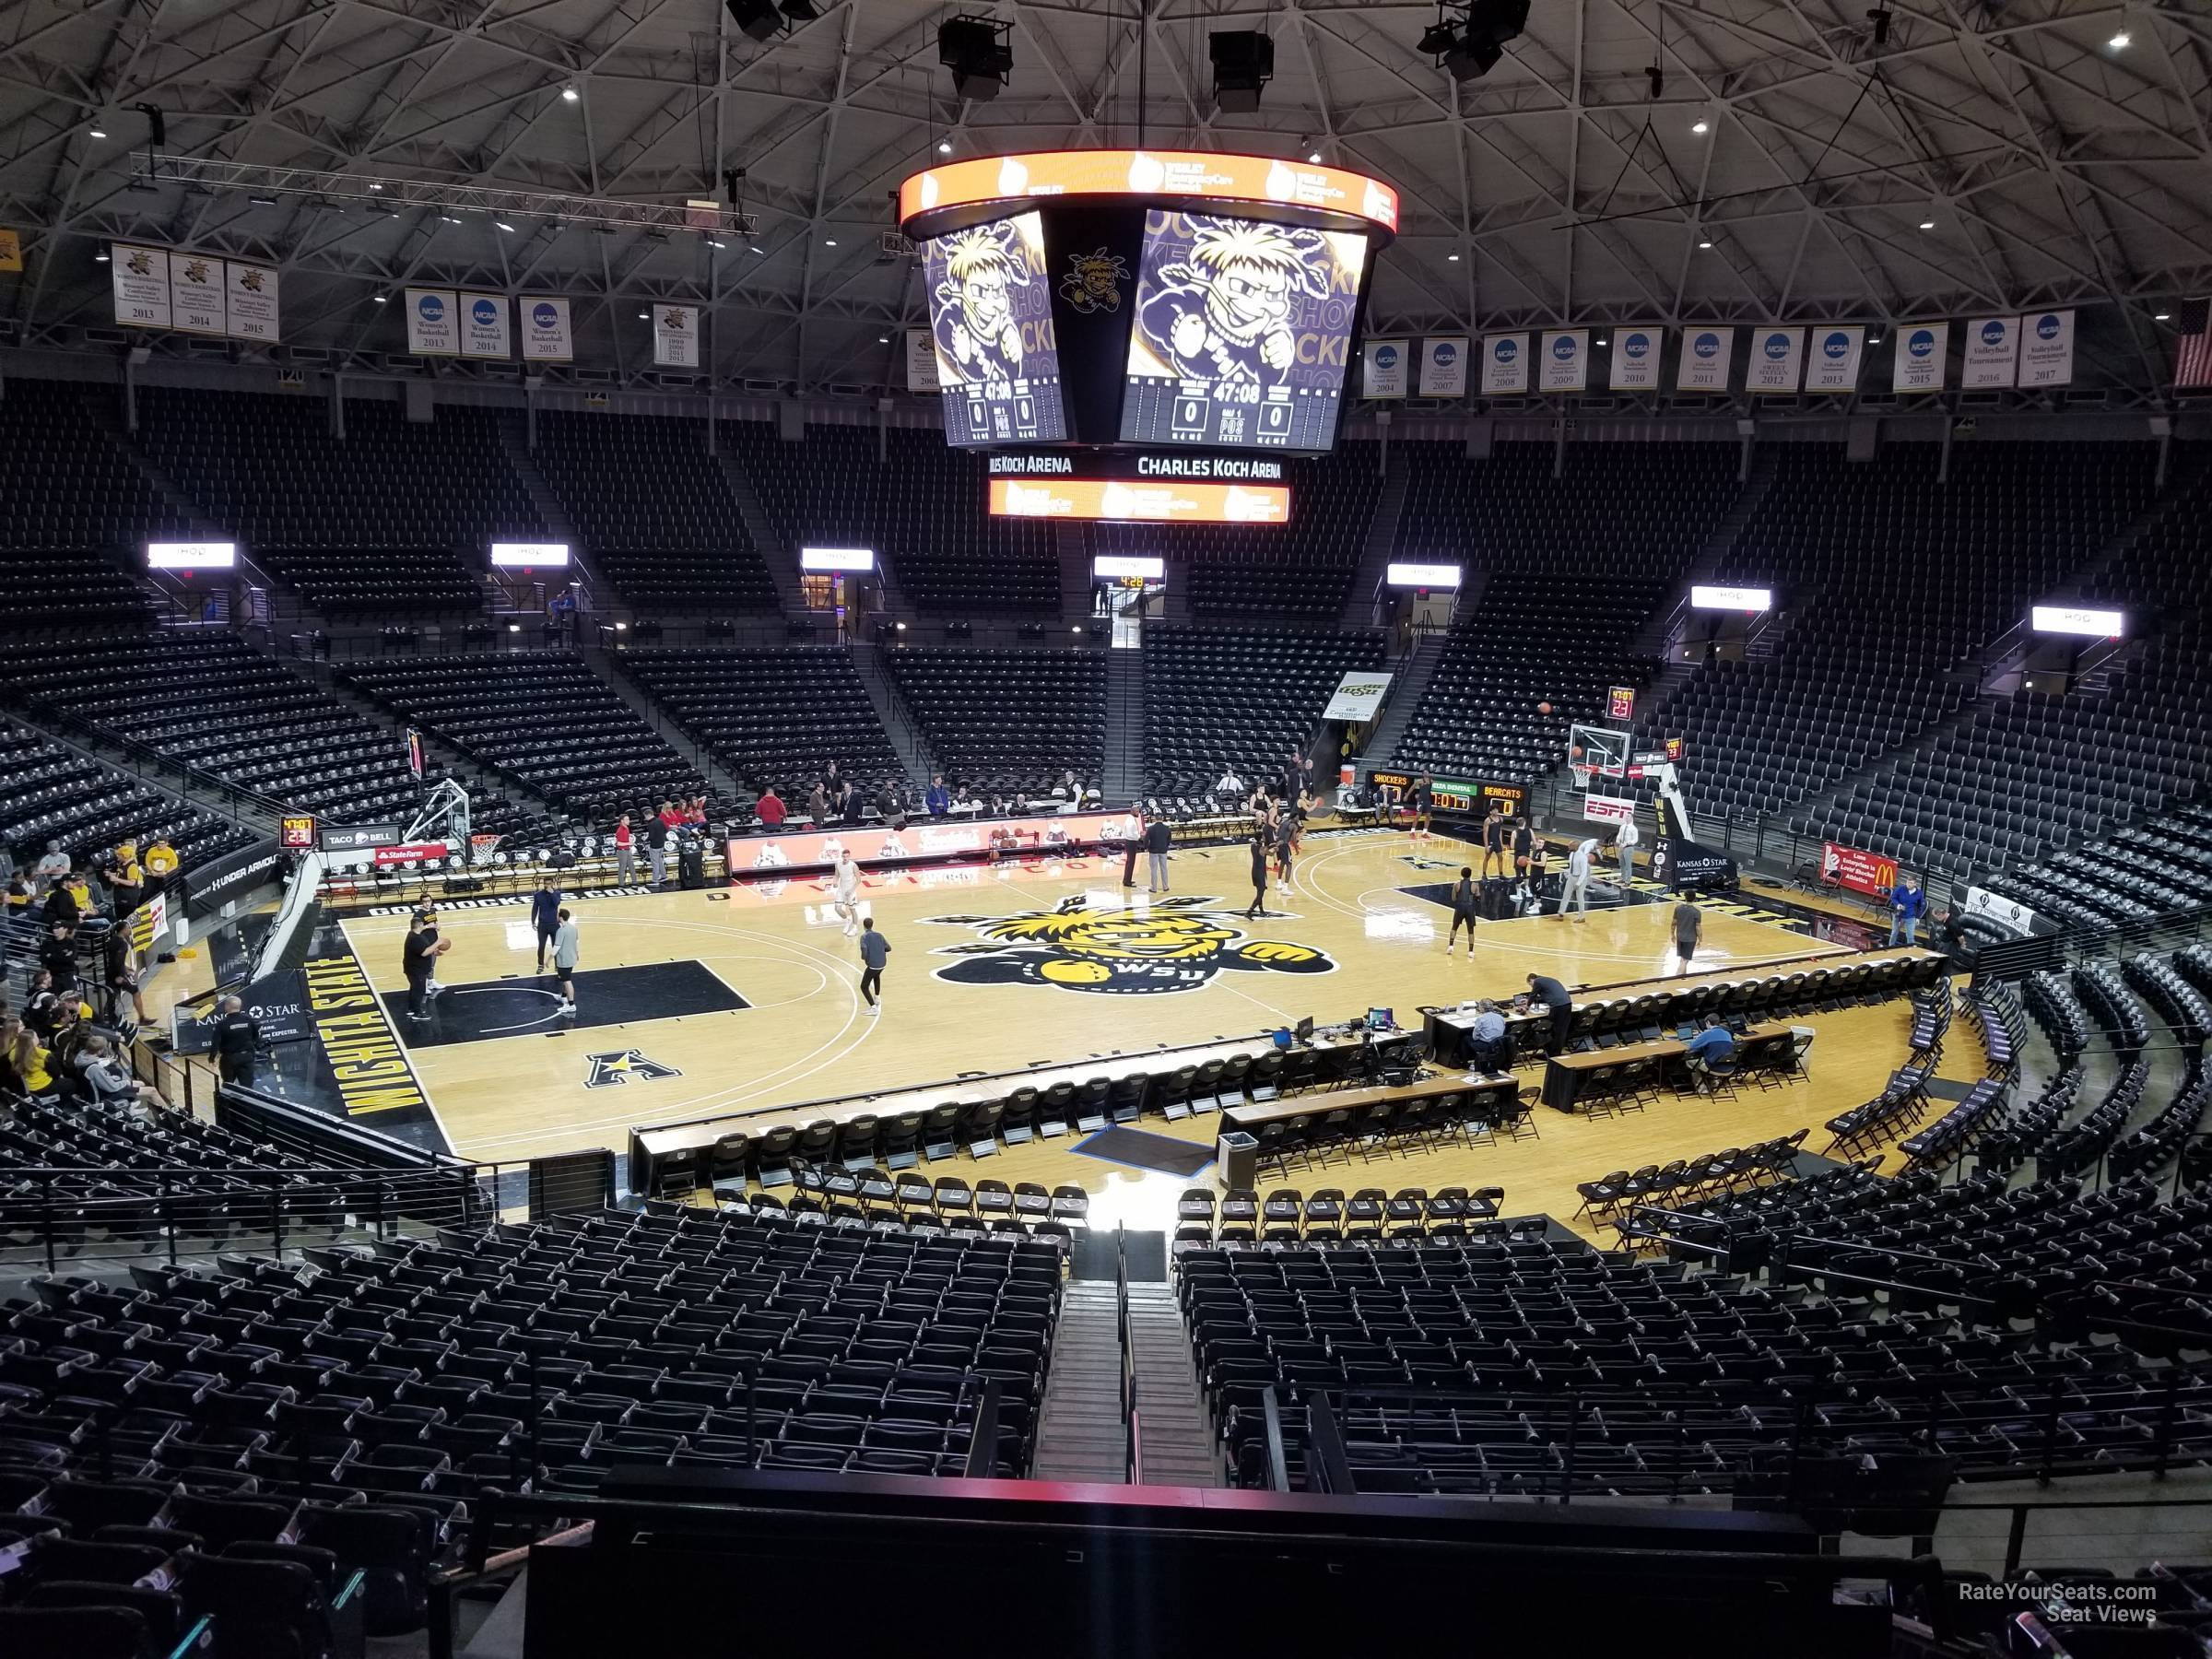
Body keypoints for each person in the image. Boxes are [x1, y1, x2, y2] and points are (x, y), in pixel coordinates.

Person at [76, 1033, 171, 1115]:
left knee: (141, 1083)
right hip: (107, 1096)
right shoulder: (94, 1068)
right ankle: (170, 1114)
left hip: (105, 1089)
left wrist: (110, 1077)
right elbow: (112, 1087)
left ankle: (133, 1109)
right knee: (152, 1091)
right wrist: (125, 1082)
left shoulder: (83, 1057)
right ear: (100, 1051)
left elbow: (101, 1079)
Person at [103, 929, 148, 1034]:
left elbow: (114, 959)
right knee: (135, 991)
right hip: (117, 975)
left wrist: (126, 967)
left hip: (110, 973)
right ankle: (141, 1018)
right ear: (123, 929)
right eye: (128, 928)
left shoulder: (112, 941)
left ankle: (111, 1022)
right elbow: (118, 960)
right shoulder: (122, 944)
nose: (130, 930)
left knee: (112, 997)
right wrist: (120, 975)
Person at [402, 909, 444, 1021]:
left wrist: (434, 951)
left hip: (414, 968)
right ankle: (417, 1013)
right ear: (420, 925)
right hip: (416, 970)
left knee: (414, 989)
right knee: (419, 991)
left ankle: (412, 1010)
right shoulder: (415, 938)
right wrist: (438, 943)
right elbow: (424, 952)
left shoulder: (414, 935)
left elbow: (424, 949)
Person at [212, 994, 260, 1088]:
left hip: (229, 1059)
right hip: (247, 1057)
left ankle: (229, 1102)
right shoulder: (249, 1020)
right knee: (248, 1088)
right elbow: (256, 1036)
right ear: (240, 1006)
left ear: (227, 1007)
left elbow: (215, 1043)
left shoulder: (222, 1024)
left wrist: (212, 1058)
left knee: (228, 1086)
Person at [1683, 1016, 1737, 1092]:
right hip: (1730, 1068)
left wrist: (1700, 1037)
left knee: (1690, 1061)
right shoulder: (1727, 1034)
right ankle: (1714, 1082)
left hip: (1715, 1068)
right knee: (1714, 1056)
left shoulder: (1707, 1034)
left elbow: (1692, 1046)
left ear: (1708, 1022)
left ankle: (1702, 1088)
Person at [1528, 972, 1573, 1054]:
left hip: (1558, 1007)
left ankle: (1553, 1053)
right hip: (1568, 1004)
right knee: (1562, 1031)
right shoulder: (1549, 980)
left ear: (1531, 980)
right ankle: (1557, 1052)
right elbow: (1547, 995)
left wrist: (1527, 1006)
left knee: (1553, 1029)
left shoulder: (1537, 981)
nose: (1532, 987)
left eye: (1530, 985)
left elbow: (1533, 994)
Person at [857, 915, 890, 1015]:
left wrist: (864, 957)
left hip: (873, 965)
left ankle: (873, 1008)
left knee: (864, 986)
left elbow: (864, 950)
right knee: (876, 976)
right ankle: (877, 997)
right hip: (883, 963)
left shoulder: (864, 937)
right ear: (872, 925)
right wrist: (879, 950)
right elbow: (889, 948)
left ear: (864, 926)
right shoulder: (879, 935)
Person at [551, 908, 581, 1017]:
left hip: (564, 959)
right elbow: (576, 942)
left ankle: (571, 1005)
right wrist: (577, 953)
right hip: (572, 957)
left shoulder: (561, 931)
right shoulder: (573, 928)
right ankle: (563, 996)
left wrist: (549, 959)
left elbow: (557, 947)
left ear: (560, 917)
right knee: (565, 978)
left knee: (567, 981)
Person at [1561, 836, 1599, 922]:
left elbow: (1584, 873)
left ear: (1574, 847)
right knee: (1566, 896)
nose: (1568, 847)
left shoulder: (1582, 857)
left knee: (1580, 898)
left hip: (1581, 878)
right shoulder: (1572, 854)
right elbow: (1571, 866)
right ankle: (1561, 913)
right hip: (1572, 876)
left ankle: (1582, 917)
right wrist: (1569, 875)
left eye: (1570, 846)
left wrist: (1579, 882)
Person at [531, 877, 563, 973]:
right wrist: (533, 921)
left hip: (554, 924)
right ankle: (540, 965)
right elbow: (535, 909)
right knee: (541, 946)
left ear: (553, 883)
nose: (547, 885)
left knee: (556, 946)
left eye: (549, 883)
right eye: (545, 884)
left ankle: (557, 966)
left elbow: (557, 903)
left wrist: (552, 893)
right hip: (543, 925)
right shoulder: (538, 895)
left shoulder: (557, 893)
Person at [1467, 1000, 1510, 1072]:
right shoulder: (1501, 1018)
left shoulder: (1481, 1019)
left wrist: (1480, 1038)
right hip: (1498, 1045)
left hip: (1486, 1045)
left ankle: (1466, 1063)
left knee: (1465, 1039)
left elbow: (1475, 1037)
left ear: (1482, 1008)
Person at [1446, 865, 1478, 956]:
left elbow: (1453, 898)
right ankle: (1471, 952)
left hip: (1460, 907)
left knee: (1454, 927)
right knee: (1471, 931)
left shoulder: (1456, 885)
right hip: (1470, 908)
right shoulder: (1475, 885)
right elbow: (1478, 897)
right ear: (1470, 875)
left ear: (1461, 874)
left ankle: (1451, 946)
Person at [1888, 873, 1927, 947]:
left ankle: (1911, 949)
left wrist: (1918, 917)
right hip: (1899, 915)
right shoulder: (1900, 888)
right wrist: (1897, 904)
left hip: (1910, 916)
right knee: (1895, 932)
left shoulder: (1919, 893)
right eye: (1908, 882)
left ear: (1915, 884)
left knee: (1910, 935)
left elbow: (1920, 906)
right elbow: (1893, 897)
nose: (1909, 884)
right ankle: (1891, 947)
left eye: (1911, 883)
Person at [106, 841, 144, 918]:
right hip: (119, 896)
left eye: (119, 855)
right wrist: (111, 874)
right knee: (119, 916)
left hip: (128, 898)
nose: (117, 857)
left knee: (127, 918)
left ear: (125, 855)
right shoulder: (121, 863)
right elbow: (121, 874)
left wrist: (116, 879)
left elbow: (132, 883)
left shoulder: (132, 866)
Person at [831, 851, 863, 938]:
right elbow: (836, 875)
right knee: (837, 909)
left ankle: (855, 928)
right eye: (844, 856)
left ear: (849, 856)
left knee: (852, 909)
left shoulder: (853, 865)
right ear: (842, 856)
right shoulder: (838, 864)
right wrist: (835, 882)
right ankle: (847, 920)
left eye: (847, 856)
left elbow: (859, 880)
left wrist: (851, 890)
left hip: (850, 890)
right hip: (841, 889)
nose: (845, 858)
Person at [1244, 827, 1272, 920]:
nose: (1265, 837)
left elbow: (1264, 849)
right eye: (1263, 836)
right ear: (1261, 838)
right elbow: (1271, 853)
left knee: (1259, 891)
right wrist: (1276, 847)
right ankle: (1249, 912)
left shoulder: (1253, 845)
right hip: (1260, 872)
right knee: (1260, 894)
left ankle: (1261, 911)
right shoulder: (1263, 848)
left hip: (1254, 871)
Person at [1145, 813, 1172, 895]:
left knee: (1153, 870)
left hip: (1153, 851)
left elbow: (1146, 840)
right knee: (1164, 869)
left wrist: (1146, 847)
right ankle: (1165, 886)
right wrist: (1165, 846)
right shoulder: (1167, 828)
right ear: (1162, 818)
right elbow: (1169, 840)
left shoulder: (1150, 829)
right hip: (1163, 850)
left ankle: (1154, 888)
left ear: (1154, 818)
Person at [1273, 808, 1298, 896]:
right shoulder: (1293, 826)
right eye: (1297, 817)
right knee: (1289, 865)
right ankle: (1285, 888)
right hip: (1284, 845)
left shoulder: (1283, 822)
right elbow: (1293, 839)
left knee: (1283, 863)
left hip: (1278, 844)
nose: (1298, 819)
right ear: (1295, 817)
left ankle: (1279, 883)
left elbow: (1277, 832)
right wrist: (1296, 848)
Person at [1672, 900, 1702, 968]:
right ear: (1694, 899)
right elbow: (1698, 927)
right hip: (1690, 939)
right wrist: (1700, 939)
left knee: (1682, 959)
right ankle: (1678, 976)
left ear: (1685, 898)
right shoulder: (1696, 912)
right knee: (1685, 960)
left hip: (1679, 937)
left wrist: (1672, 934)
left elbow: (1673, 923)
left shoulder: (1678, 908)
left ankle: (1683, 976)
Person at [644, 813, 670, 888]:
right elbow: (666, 830)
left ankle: (655, 880)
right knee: (659, 861)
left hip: (654, 846)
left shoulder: (650, 824)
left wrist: (645, 839)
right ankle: (664, 876)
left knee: (655, 863)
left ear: (647, 816)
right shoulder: (660, 820)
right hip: (662, 844)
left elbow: (651, 836)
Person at [1480, 807, 1508, 878]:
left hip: (1497, 842)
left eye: (1497, 809)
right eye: (1494, 810)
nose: (1496, 811)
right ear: (1491, 812)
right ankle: (1484, 874)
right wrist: (1486, 846)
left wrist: (1501, 843)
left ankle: (1501, 874)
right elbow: (1485, 833)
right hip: (1490, 842)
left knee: (1500, 857)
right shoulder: (1488, 820)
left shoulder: (1501, 819)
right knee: (1487, 857)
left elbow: (1500, 831)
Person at [1614, 814, 1640, 887]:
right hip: (1621, 846)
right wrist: (1618, 840)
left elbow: (1635, 840)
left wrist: (1628, 843)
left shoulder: (1633, 828)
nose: (1626, 817)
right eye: (1626, 816)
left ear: (1632, 818)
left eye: (1628, 816)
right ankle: (1623, 878)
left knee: (1628, 865)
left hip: (1628, 847)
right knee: (1621, 863)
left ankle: (1627, 881)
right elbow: (1620, 835)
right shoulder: (1623, 826)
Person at [610, 813, 636, 885]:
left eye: (628, 819)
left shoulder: (626, 828)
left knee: (632, 866)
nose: (629, 821)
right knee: (622, 868)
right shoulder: (620, 830)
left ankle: (634, 882)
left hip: (627, 850)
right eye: (627, 819)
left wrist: (629, 842)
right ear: (622, 821)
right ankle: (621, 884)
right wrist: (628, 843)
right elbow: (618, 844)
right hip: (622, 851)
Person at [1411, 773, 1434, 842]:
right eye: (1425, 772)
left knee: (1428, 816)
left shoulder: (1431, 781)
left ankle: (1424, 833)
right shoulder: (1419, 781)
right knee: (1418, 815)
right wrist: (1407, 796)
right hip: (1421, 800)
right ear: (1423, 774)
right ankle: (1412, 832)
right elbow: (1412, 788)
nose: (1427, 774)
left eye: (1428, 772)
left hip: (1428, 801)